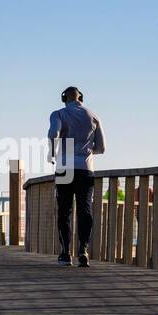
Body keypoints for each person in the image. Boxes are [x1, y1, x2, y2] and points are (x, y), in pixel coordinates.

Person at [48, 85, 106, 266]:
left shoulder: (58, 114)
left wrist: (52, 152)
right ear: (81, 97)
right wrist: (84, 152)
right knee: (84, 210)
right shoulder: (93, 116)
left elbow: (53, 133)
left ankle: (65, 253)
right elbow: (101, 148)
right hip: (85, 169)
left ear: (64, 98)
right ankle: (83, 250)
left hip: (65, 167)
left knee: (64, 210)